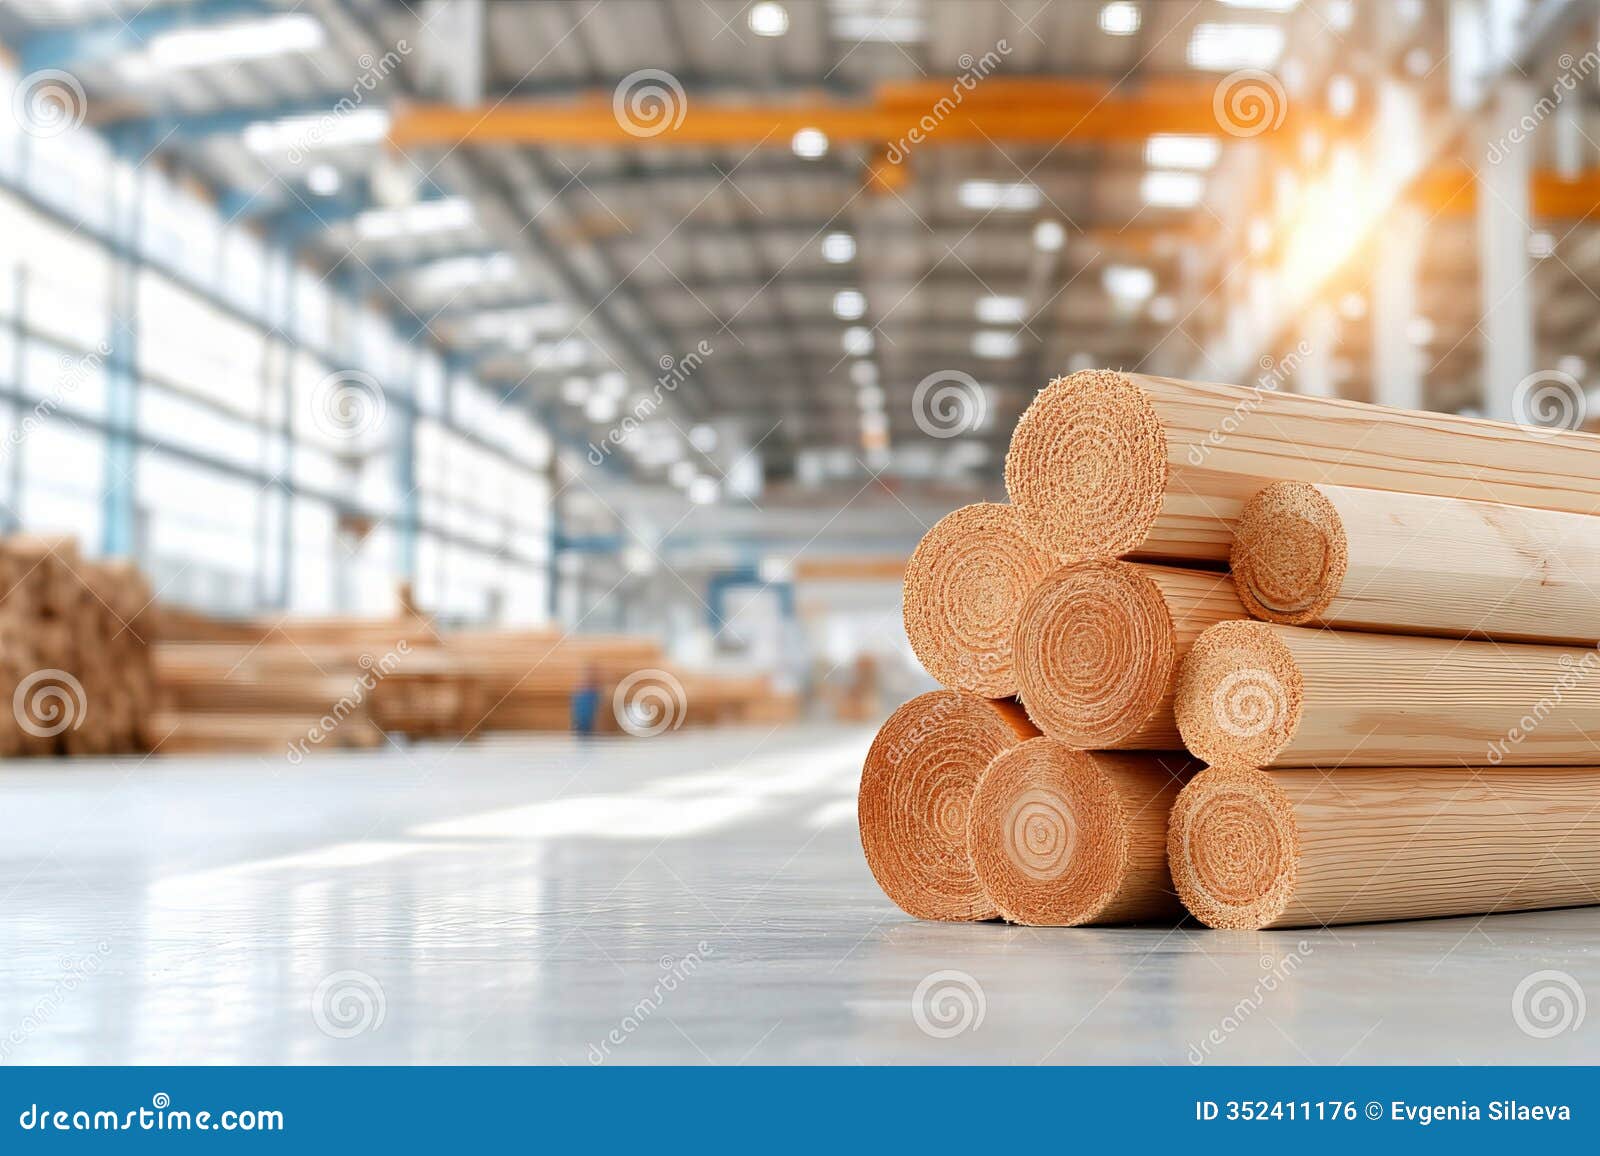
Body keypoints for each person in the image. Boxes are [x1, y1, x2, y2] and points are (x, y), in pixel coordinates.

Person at [570, 665, 601, 741]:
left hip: (588, 723)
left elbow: (597, 708)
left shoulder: (594, 692)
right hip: (581, 723)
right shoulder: (579, 692)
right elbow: (576, 708)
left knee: (588, 738)